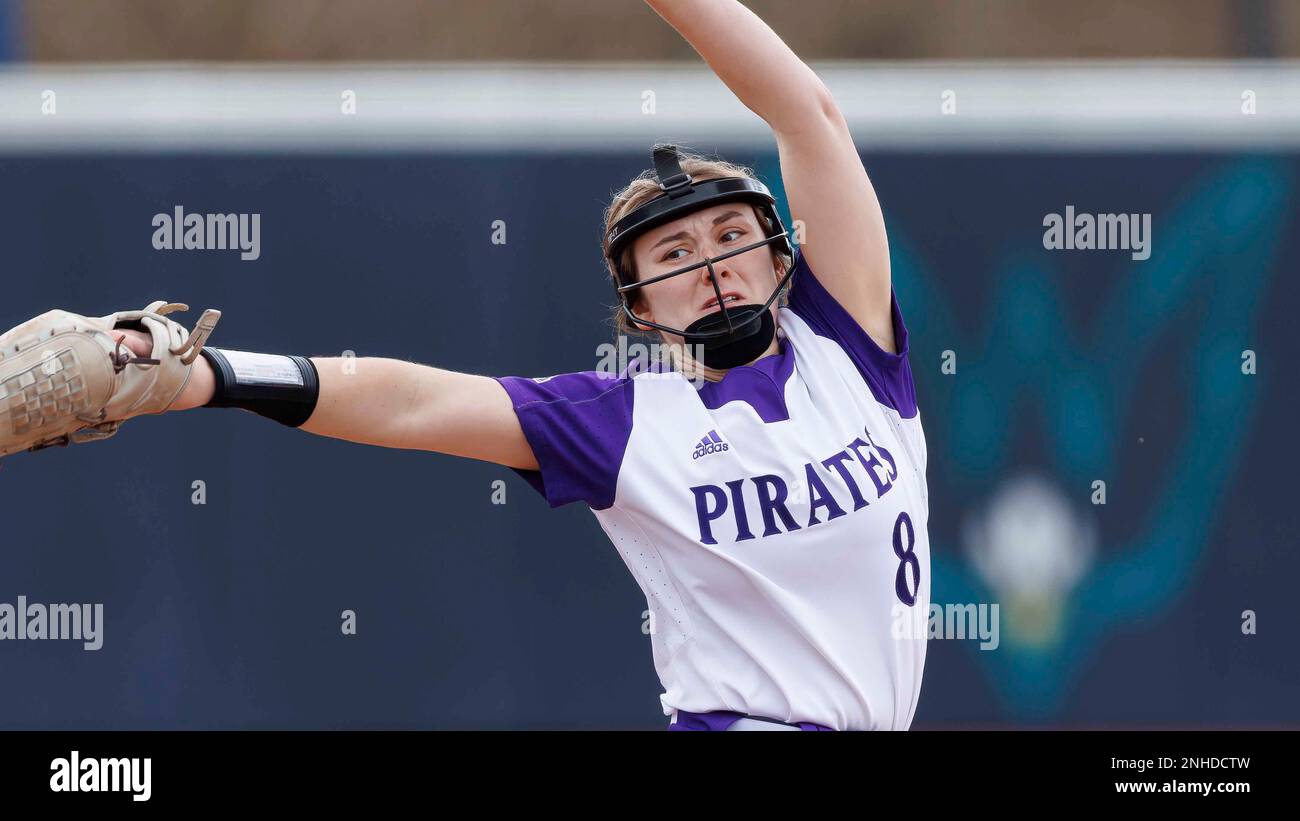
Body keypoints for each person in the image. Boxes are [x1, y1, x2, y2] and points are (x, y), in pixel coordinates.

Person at [100, 0, 931, 731]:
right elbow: (410, 402)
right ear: (641, 306)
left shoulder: (851, 351)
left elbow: (808, 113)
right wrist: (205, 373)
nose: (711, 265)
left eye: (730, 236)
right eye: (673, 252)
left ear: (780, 251)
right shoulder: (625, 422)